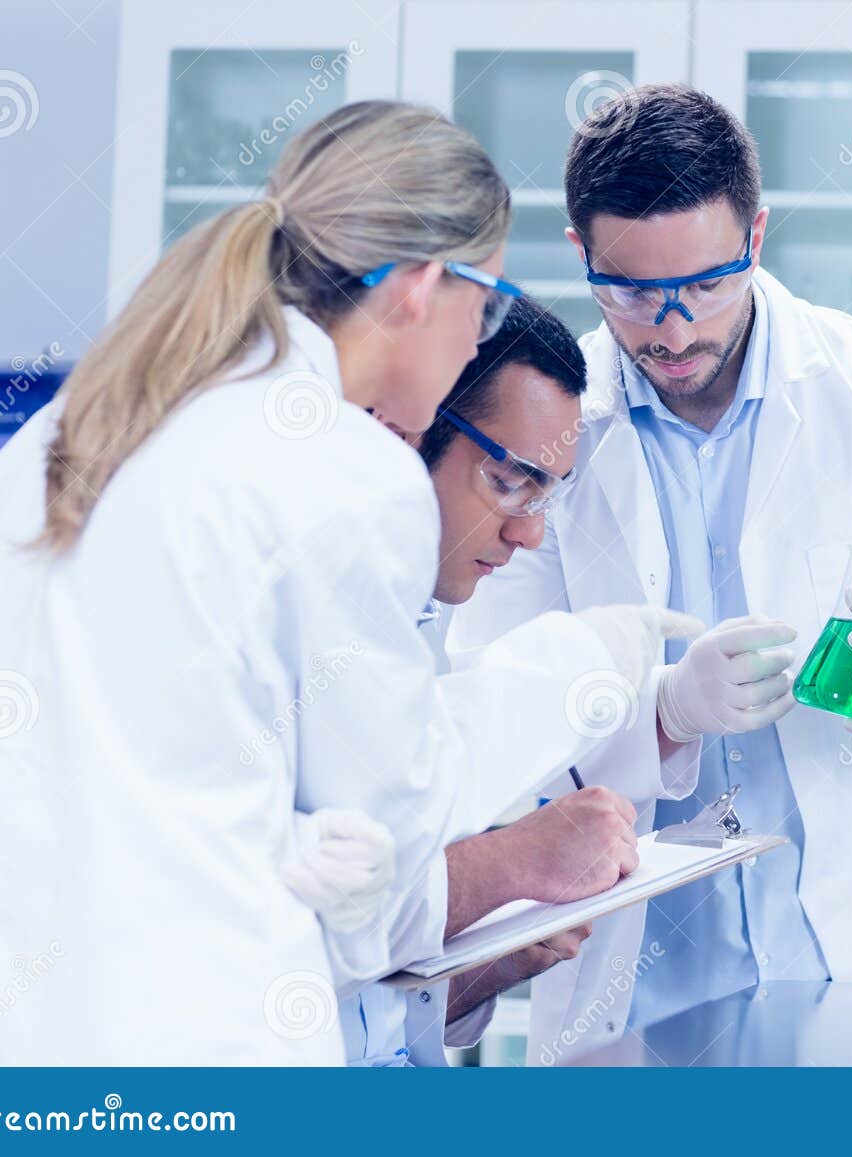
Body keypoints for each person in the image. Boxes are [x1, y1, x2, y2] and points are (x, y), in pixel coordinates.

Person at [0, 101, 696, 1064]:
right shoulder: (344, 471)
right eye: (487, 307)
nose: (477, 343)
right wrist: (583, 662)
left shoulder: (62, 434)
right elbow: (397, 838)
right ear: (424, 287)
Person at [449, 84, 852, 1061]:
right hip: (644, 994)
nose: (673, 329)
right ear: (582, 254)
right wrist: (663, 710)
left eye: (706, 285)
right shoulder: (547, 428)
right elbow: (496, 707)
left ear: (757, 236)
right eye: (630, 293)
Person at [327, 298, 701, 1065]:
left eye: (547, 495)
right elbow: (296, 928)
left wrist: (494, 960)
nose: (529, 532)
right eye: (507, 481)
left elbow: (366, 1005)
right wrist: (512, 864)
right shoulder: (300, 626)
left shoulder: (408, 622)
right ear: (402, 431)